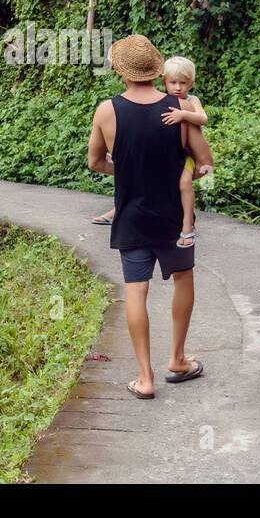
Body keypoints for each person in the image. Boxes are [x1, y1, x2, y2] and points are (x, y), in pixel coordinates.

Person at [88, 35, 213, 399]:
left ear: (120, 71)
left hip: (132, 216)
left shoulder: (107, 111)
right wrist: (183, 173)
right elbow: (206, 163)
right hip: (174, 219)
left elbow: (95, 161)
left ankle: (145, 378)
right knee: (183, 280)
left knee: (135, 291)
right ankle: (177, 359)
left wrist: (127, 170)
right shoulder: (179, 109)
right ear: (156, 71)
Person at [91, 55, 210, 250]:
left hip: (189, 154)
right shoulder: (164, 100)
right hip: (170, 154)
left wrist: (184, 114)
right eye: (173, 82)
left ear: (192, 84)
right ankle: (117, 210)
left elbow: (203, 118)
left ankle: (188, 226)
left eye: (183, 83)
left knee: (184, 182)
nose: (178, 87)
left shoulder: (189, 102)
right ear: (164, 81)